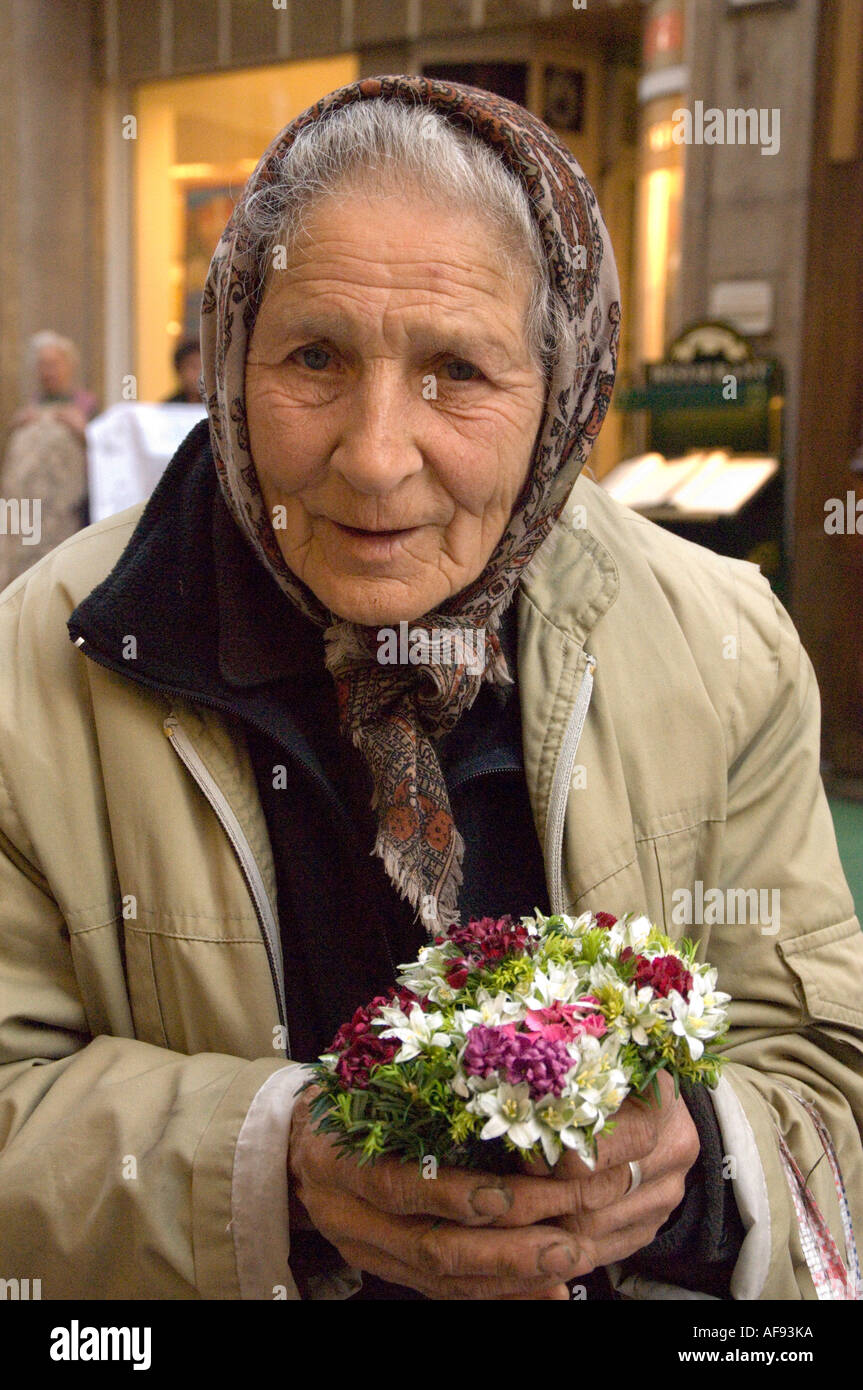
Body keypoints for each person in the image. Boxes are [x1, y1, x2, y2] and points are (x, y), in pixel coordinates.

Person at [0, 76, 860, 1302]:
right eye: (313, 354)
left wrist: (698, 1164)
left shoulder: (724, 649)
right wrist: (269, 1170)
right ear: (235, 349)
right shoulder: (39, 666)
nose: (374, 454)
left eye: (456, 369)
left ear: (561, 392)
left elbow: (825, 1071)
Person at [0, 331, 98, 586]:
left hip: (66, 516)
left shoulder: (88, 409)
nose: (48, 371)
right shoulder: (27, 412)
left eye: (54, 364)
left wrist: (85, 432)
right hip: (25, 520)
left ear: (69, 366)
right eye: (42, 364)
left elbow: (108, 459)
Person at [163, 337, 204, 403]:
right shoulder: (168, 408)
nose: (199, 373)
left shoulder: (221, 408)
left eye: (203, 368)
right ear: (180, 370)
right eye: (194, 366)